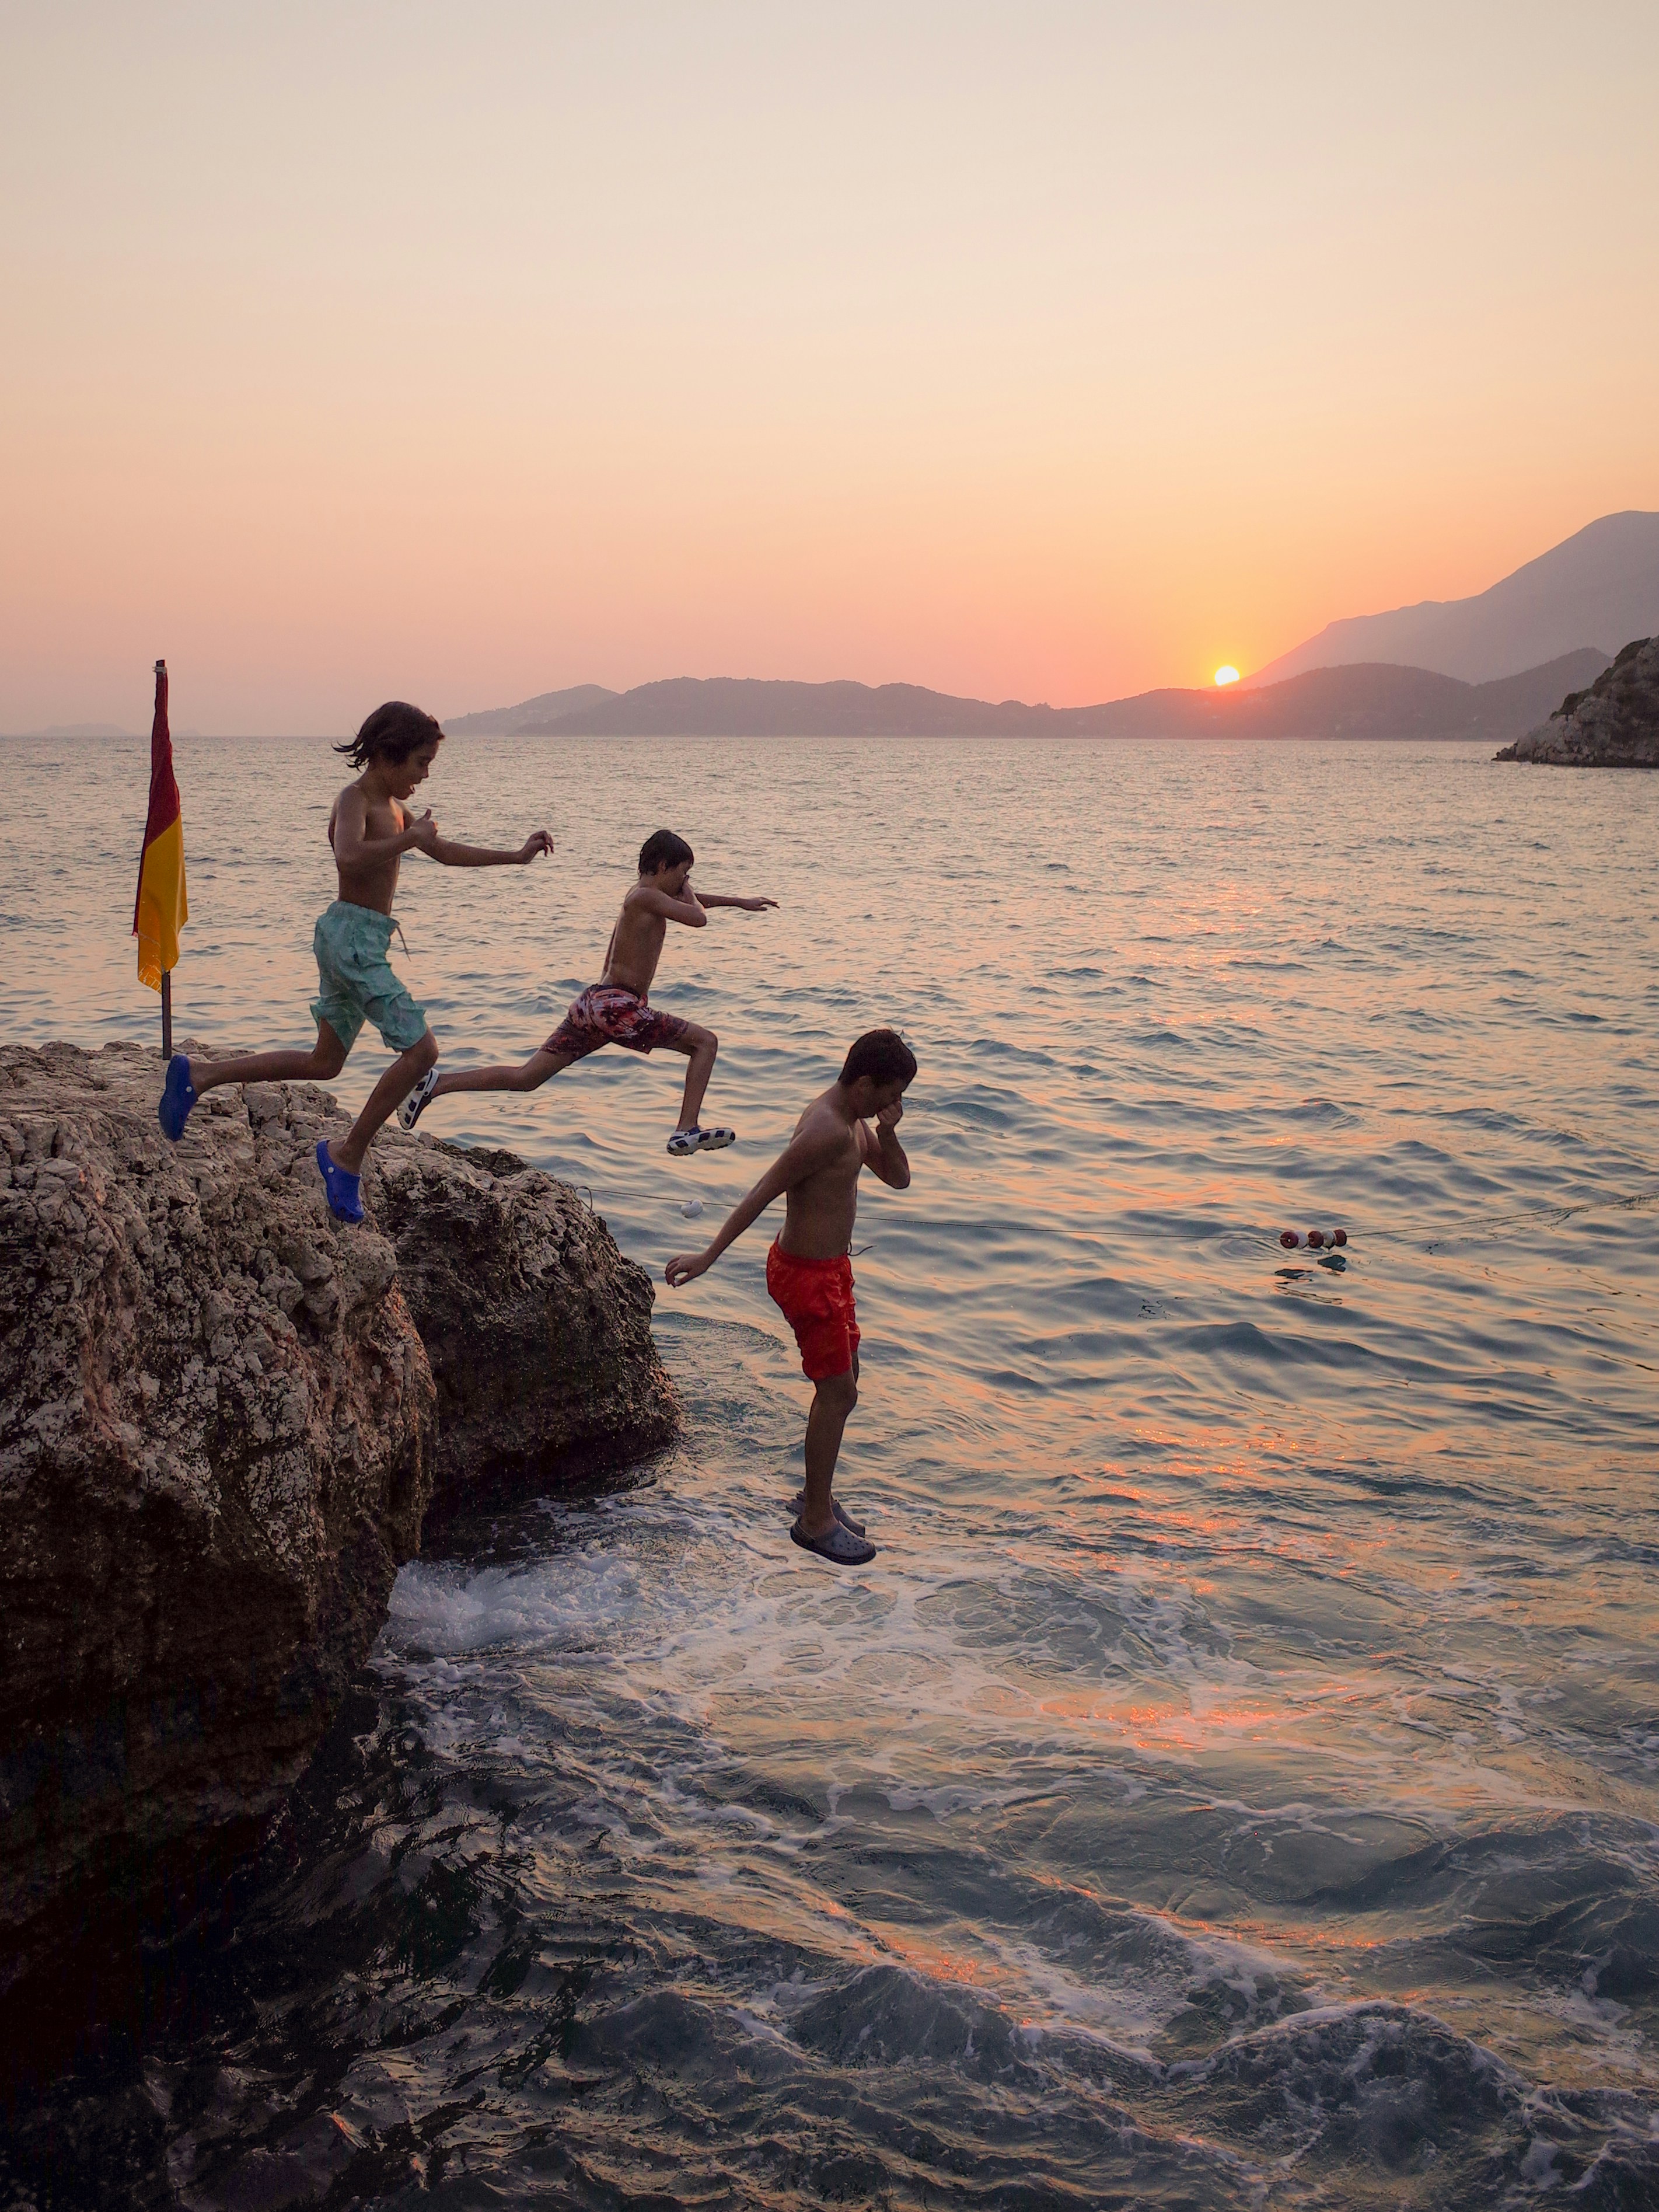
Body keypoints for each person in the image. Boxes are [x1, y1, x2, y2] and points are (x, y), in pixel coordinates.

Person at [156, 700, 553, 1223]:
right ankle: (347, 1156)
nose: (426, 774)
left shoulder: (394, 807)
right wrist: (409, 839)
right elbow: (347, 855)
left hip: (360, 941)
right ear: (388, 755)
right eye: (420, 762)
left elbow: (446, 851)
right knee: (423, 1052)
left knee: (326, 1063)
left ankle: (200, 1076)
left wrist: (515, 856)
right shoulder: (355, 799)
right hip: (351, 941)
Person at [665, 1028, 917, 1566]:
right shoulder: (826, 1128)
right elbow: (764, 1189)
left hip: (833, 1270)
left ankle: (815, 1494)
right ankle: (814, 1521)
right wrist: (707, 1257)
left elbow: (898, 1180)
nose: (894, 1105)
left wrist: (889, 1133)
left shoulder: (854, 1124)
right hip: (805, 1274)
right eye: (891, 1095)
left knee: (847, 1381)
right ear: (865, 1083)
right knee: (837, 1395)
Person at [401, 829, 775, 1157]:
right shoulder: (645, 896)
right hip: (617, 1007)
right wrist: (689, 890)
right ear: (662, 866)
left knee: (526, 1078)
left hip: (594, 1005)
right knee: (705, 1043)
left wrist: (740, 901)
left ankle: (438, 1083)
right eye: (683, 872)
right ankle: (685, 1129)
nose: (687, 881)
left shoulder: (645, 896)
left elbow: (696, 904)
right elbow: (697, 916)